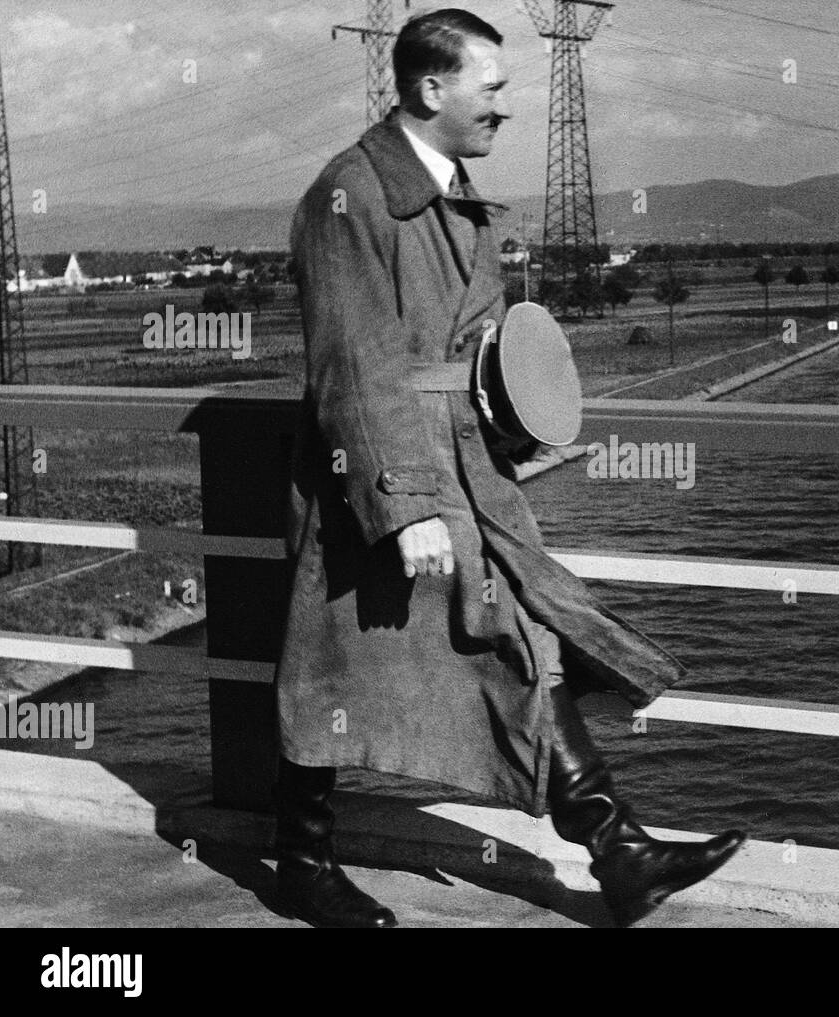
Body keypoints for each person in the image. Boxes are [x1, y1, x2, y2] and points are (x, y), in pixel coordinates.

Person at [273, 8, 745, 929]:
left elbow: (478, 350)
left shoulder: (455, 197)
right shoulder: (349, 197)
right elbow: (353, 362)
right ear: (429, 89)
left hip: (462, 463)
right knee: (326, 671)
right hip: (377, 476)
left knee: (522, 637)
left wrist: (520, 418)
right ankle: (301, 858)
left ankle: (620, 850)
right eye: (490, 89)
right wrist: (403, 502)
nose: (505, 108)